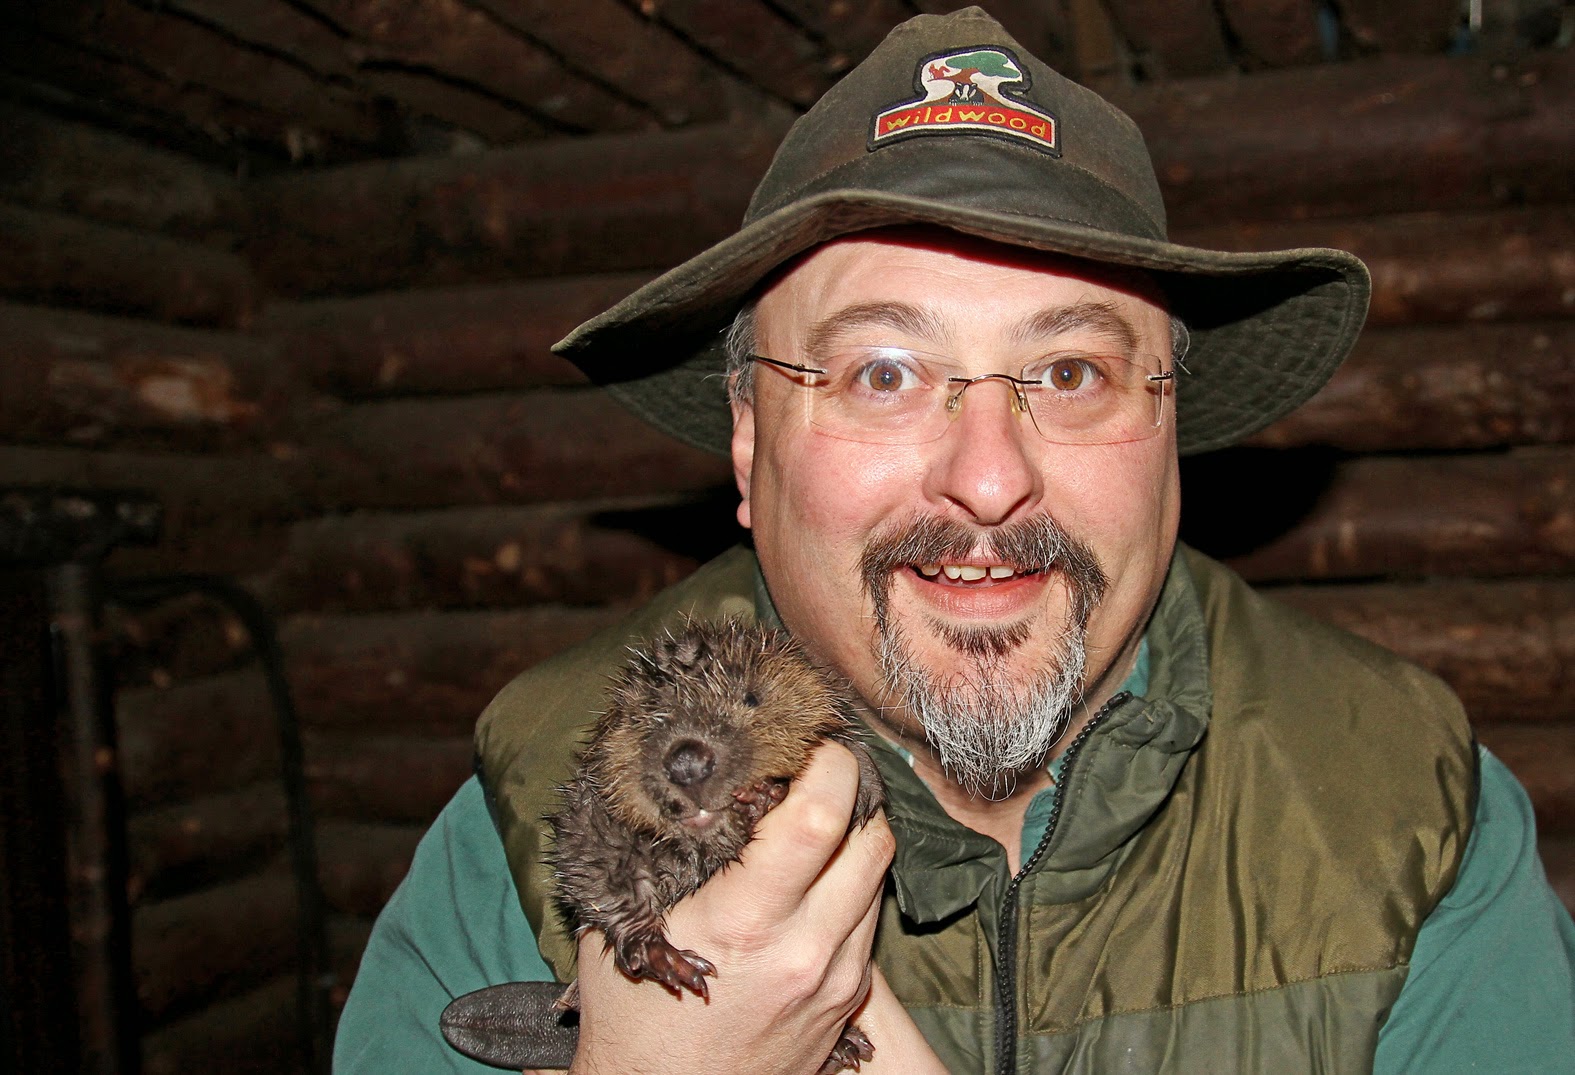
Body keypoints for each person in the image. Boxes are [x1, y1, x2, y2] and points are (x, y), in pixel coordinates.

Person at [334, 8, 1575, 1072]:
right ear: (752, 448)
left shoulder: (1411, 809)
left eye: (1074, 367)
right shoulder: (535, 814)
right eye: (883, 370)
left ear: (1170, 424)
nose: (989, 477)